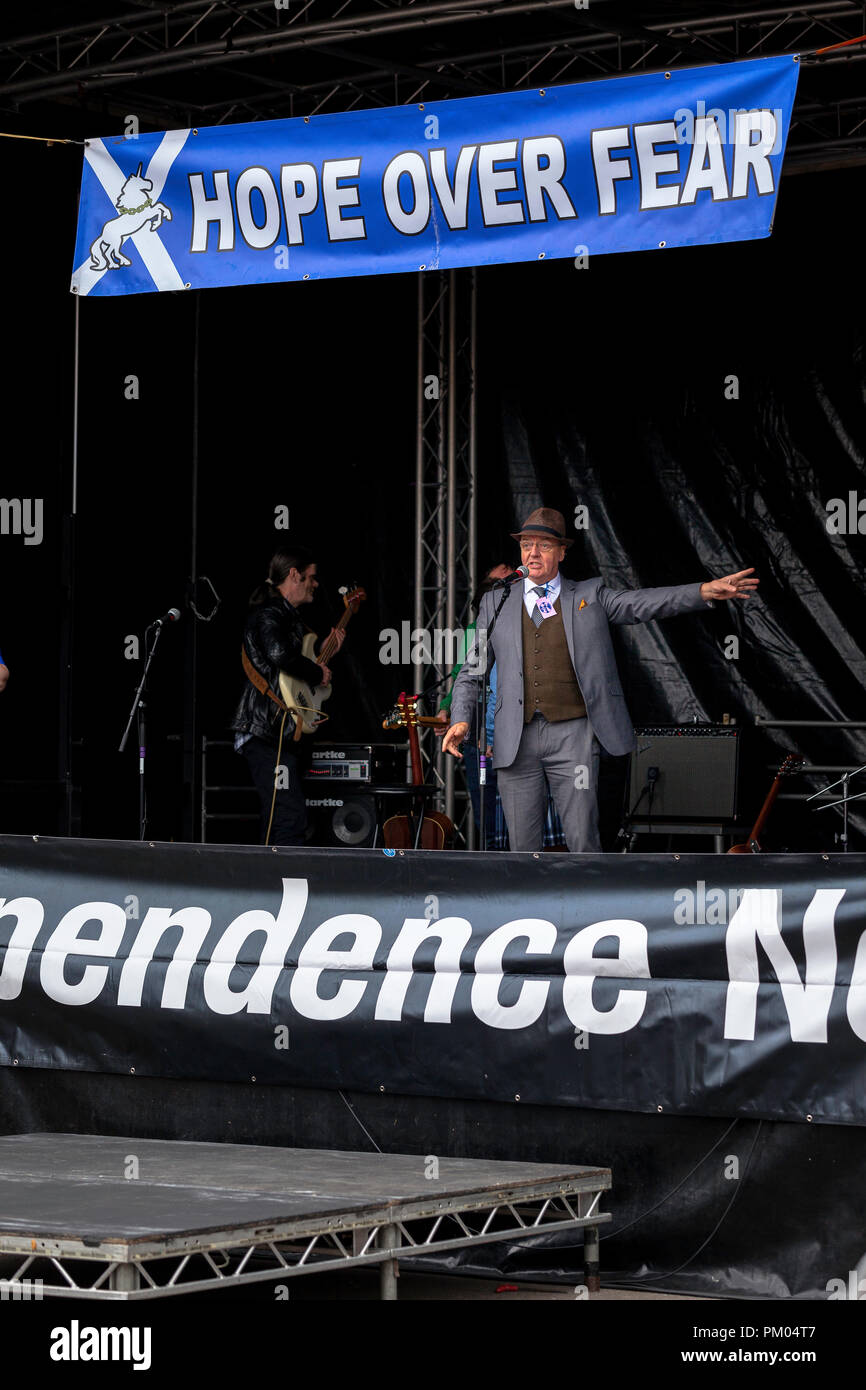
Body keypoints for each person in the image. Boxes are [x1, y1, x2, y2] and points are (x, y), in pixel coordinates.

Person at [443, 506, 759, 852]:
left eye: (544, 545)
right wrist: (460, 718)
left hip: (573, 735)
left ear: (562, 552)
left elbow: (644, 603)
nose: (533, 553)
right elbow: (470, 672)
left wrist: (702, 591)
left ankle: (585, 904)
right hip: (515, 737)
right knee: (522, 847)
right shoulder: (495, 603)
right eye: (527, 544)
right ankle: (529, 907)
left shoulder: (589, 596)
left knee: (582, 839)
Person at [232, 547, 345, 845]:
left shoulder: (290, 619)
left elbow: (293, 670)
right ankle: (279, 886)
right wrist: (316, 672)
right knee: (287, 816)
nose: (315, 584)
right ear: (294, 575)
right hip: (266, 730)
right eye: (311, 577)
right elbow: (280, 655)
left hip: (279, 731)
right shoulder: (270, 613)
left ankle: (276, 884)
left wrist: (323, 658)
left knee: (286, 815)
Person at [432, 562, 511, 842]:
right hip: (482, 738)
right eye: (502, 582)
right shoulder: (477, 630)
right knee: (489, 819)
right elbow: (462, 675)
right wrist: (446, 709)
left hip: (518, 740)